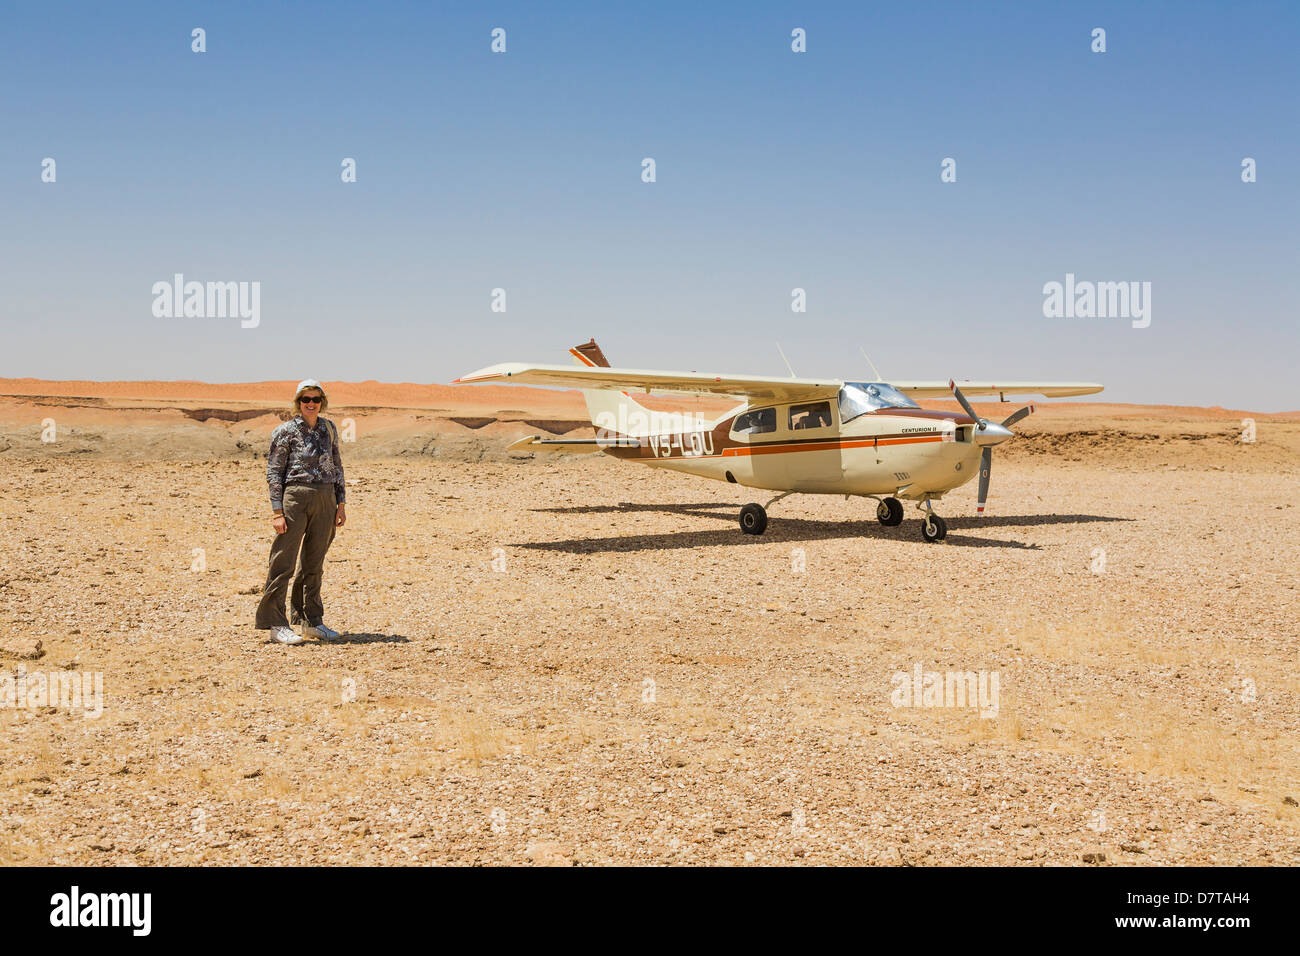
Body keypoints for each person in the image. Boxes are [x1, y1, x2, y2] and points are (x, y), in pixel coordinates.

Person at [255, 379, 347, 644]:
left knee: (314, 563)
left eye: (315, 399)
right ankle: (275, 623)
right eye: (305, 399)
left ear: (322, 402)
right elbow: (274, 472)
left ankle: (310, 620)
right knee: (283, 562)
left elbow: (337, 465)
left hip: (326, 497)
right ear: (298, 402)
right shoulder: (284, 431)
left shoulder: (328, 428)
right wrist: (277, 511)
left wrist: (340, 504)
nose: (311, 404)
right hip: (295, 497)